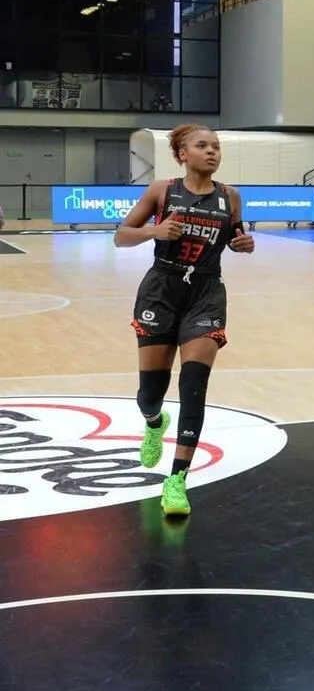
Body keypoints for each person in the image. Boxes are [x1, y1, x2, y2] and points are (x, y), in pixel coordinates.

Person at [114, 124, 255, 517]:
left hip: (206, 294)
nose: (212, 152)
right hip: (161, 289)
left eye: (216, 147)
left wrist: (243, 243)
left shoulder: (230, 197)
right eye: (202, 146)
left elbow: (237, 236)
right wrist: (154, 230)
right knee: (150, 394)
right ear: (182, 154)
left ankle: (176, 480)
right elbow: (121, 235)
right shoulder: (162, 190)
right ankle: (154, 422)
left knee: (194, 383)